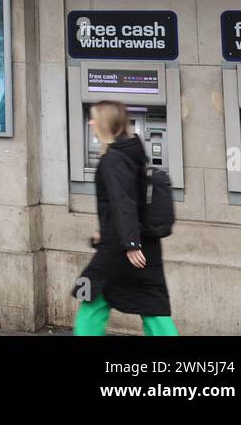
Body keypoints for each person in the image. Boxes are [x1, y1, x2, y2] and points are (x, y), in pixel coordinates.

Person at [74, 101, 177, 336]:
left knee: (90, 295)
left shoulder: (112, 159)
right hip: (143, 244)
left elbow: (124, 202)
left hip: (121, 248)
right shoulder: (133, 152)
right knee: (153, 306)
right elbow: (131, 199)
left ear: (104, 123)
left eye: (93, 118)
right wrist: (106, 229)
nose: (90, 122)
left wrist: (130, 244)